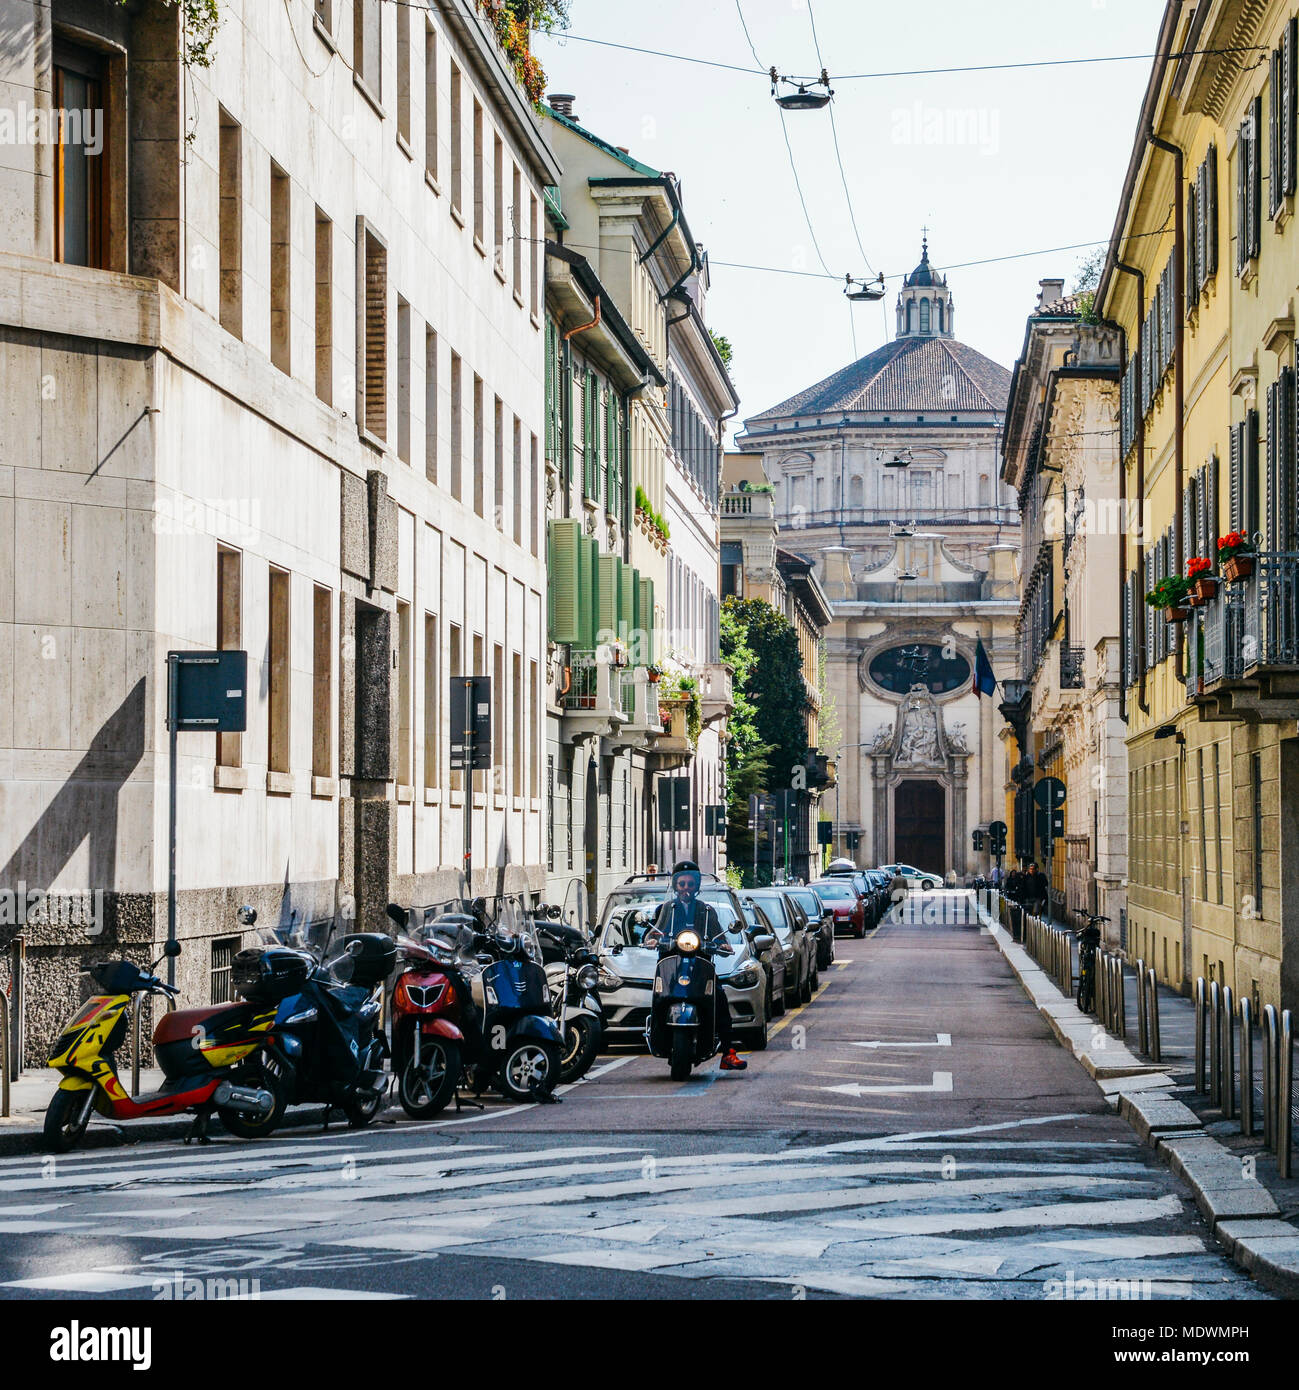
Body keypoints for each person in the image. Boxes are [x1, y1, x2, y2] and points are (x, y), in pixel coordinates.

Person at [647, 861, 748, 1071]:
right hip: (671, 967)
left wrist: (722, 944)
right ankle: (657, 1036)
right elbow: (654, 931)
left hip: (700, 966)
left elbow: (719, 935)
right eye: (682, 884)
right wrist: (652, 939)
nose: (685, 888)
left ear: (696, 886)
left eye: (690, 884)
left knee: (719, 998)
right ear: (675, 886)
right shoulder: (666, 909)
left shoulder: (706, 910)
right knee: (658, 997)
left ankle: (728, 1053)